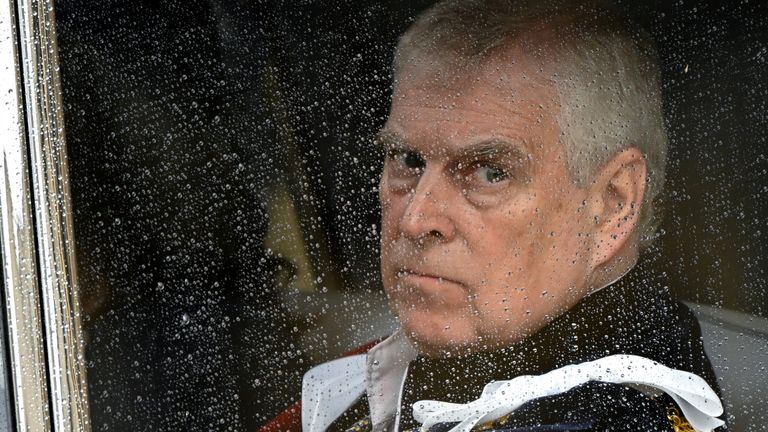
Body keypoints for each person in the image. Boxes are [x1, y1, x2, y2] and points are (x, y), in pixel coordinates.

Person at [261, 1, 726, 431]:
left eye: (489, 172)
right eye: (408, 159)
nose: (415, 219)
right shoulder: (454, 365)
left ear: (611, 205)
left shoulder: (613, 417)